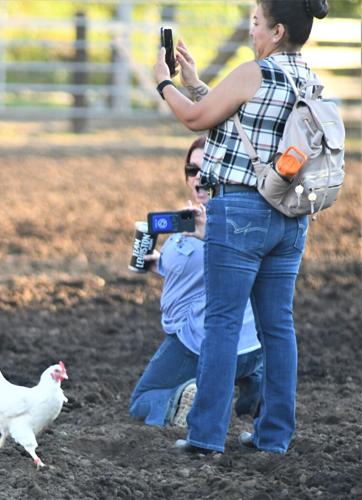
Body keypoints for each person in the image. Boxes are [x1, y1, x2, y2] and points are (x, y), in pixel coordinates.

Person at [154, 0, 329, 454]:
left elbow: (196, 119)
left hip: (239, 212)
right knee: (278, 328)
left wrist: (164, 83)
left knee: (222, 323)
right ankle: (274, 437)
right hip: (290, 215)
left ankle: (205, 436)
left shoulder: (254, 72)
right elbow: (241, 121)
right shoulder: (309, 78)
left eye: (256, 22)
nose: (252, 31)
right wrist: (195, 84)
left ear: (276, 31)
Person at [129, 137, 263, 428]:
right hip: (253, 344)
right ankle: (253, 394)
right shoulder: (213, 217)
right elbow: (199, 271)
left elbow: (233, 260)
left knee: (142, 401)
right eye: (192, 169)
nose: (199, 177)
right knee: (245, 373)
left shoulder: (226, 223)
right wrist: (158, 263)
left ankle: (183, 399)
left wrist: (208, 234)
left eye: (208, 169)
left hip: (200, 342)